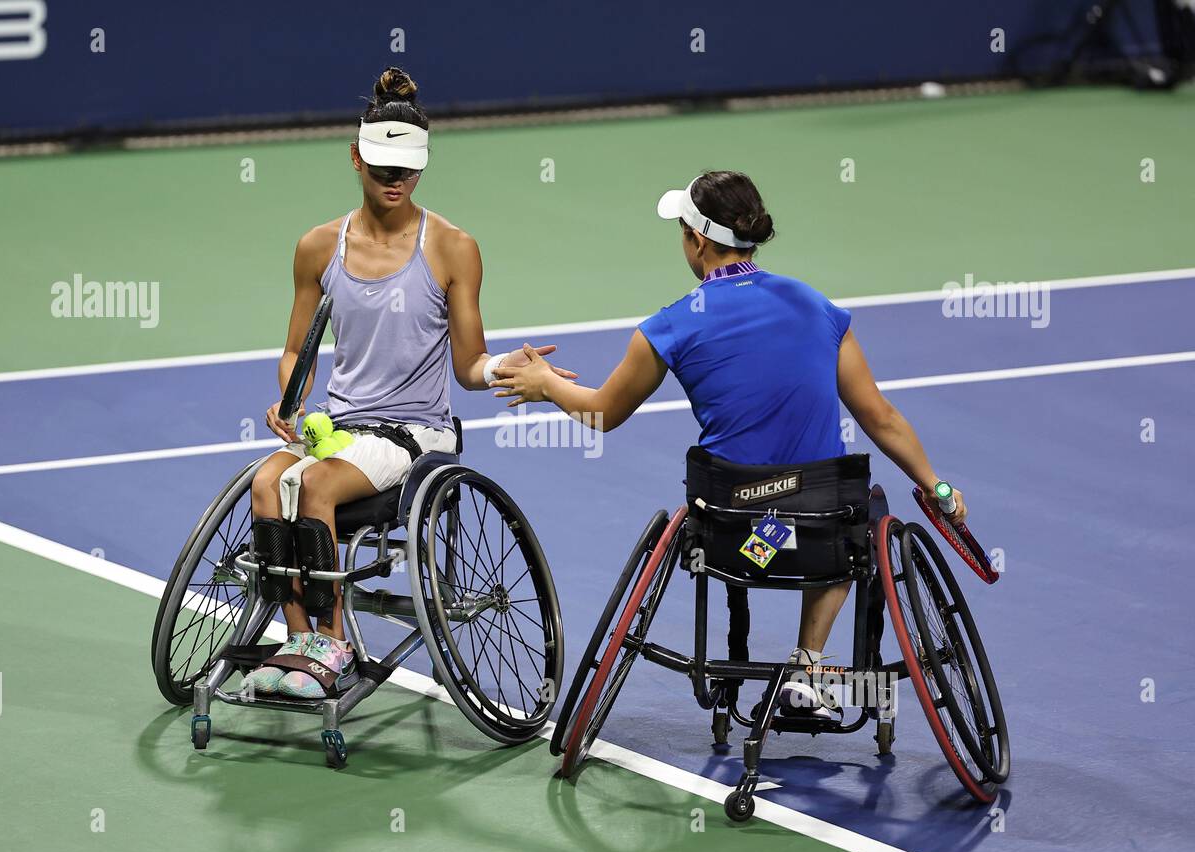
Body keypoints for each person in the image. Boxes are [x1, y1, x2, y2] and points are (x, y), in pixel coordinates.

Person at [491, 169, 966, 718]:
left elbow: (603, 413)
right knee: (859, 509)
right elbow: (880, 418)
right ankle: (809, 665)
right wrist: (939, 488)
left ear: (696, 240)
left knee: (767, 506)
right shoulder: (814, 306)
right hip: (820, 543)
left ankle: (786, 664)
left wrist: (546, 384)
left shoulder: (668, 327)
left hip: (736, 546)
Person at [249, 68, 572, 698]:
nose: (395, 182)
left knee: (312, 485)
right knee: (266, 484)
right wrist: (291, 398)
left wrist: (511, 370)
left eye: (407, 170)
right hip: (339, 426)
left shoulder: (453, 248)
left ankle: (332, 643)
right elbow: (298, 350)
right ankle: (297, 638)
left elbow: (469, 365)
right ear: (354, 158)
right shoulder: (319, 247)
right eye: (382, 168)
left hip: (416, 433)